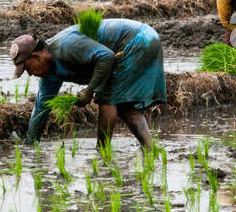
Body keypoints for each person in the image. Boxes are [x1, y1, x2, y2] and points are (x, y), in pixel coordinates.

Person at [10, 17, 166, 150]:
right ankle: (150, 150)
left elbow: (106, 57)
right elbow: (41, 109)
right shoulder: (49, 75)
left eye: (28, 69)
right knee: (125, 106)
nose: (30, 74)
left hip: (137, 39)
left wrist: (90, 90)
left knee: (106, 99)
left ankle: (102, 152)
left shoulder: (65, 46)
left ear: (37, 57)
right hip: (143, 39)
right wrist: (30, 145)